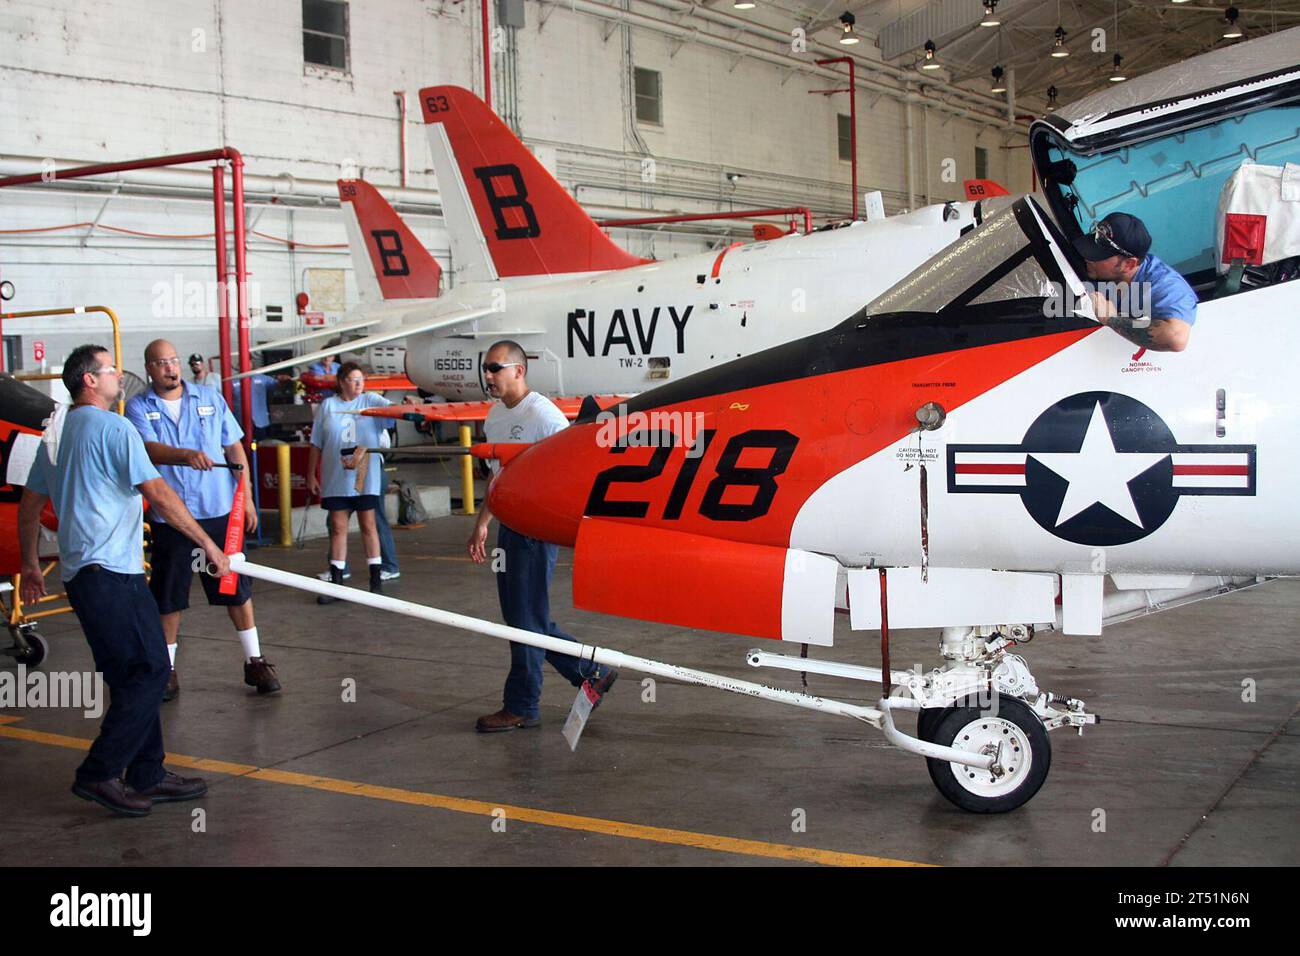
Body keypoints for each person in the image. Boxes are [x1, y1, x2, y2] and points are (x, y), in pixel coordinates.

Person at [18, 344, 228, 817]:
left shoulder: (56, 434)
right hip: (113, 572)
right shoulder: (116, 427)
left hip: (82, 576)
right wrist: (207, 544)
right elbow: (157, 492)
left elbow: (30, 503)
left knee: (132, 674)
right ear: (89, 380)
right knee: (152, 671)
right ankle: (99, 773)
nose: (119, 375)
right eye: (110, 369)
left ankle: (147, 773)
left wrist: (32, 563)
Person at [467, 340, 617, 733]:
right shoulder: (495, 417)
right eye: (485, 368)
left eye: (495, 367)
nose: (488, 375)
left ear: (519, 370)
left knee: (523, 621)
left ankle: (522, 705)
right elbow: (499, 479)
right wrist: (483, 521)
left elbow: (570, 474)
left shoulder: (545, 417)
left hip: (533, 529)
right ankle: (591, 671)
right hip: (509, 525)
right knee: (523, 617)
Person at [125, 339, 280, 700]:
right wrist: (184, 455)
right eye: (161, 363)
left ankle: (254, 661)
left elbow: (234, 447)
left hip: (220, 511)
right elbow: (147, 449)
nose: (170, 368)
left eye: (173, 360)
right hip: (174, 520)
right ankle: (167, 670)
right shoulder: (137, 408)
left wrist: (248, 499)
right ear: (149, 368)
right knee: (169, 595)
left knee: (235, 589)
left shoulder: (209, 398)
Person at [308, 363, 393, 601]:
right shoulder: (328, 406)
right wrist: (310, 474)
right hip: (336, 477)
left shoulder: (371, 400)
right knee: (338, 528)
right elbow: (316, 443)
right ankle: (336, 584)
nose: (359, 385)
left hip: (365, 477)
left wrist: (408, 406)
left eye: (361, 380)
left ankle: (375, 582)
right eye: (354, 380)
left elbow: (393, 411)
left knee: (369, 525)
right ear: (342, 381)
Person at [1073, 211, 1198, 352]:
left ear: (1129, 264)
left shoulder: (1166, 286)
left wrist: (1111, 318)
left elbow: (1176, 338)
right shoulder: (1100, 271)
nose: (1087, 258)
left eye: (1098, 255)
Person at [230, 372, 279, 441]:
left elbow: (277, 384)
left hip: (259, 422)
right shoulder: (232, 381)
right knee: (241, 446)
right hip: (239, 422)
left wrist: (281, 379)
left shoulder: (263, 378)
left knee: (261, 447)